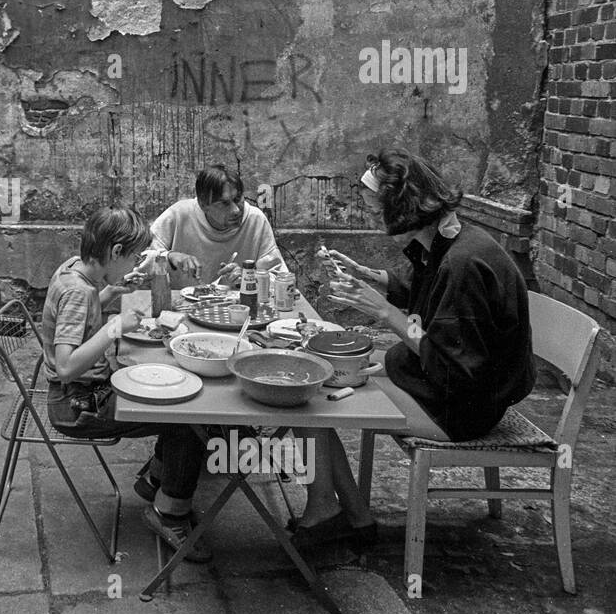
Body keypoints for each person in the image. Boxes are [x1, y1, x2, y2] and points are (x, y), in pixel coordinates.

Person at [292, 149, 536, 545]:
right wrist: (368, 276)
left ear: (401, 205)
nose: (370, 213)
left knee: (311, 404)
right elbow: (428, 296)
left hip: (461, 408)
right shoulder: (446, 240)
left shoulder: (464, 264)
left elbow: (453, 366)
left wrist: (385, 311)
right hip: (442, 385)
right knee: (319, 385)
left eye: (375, 207)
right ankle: (349, 517)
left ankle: (334, 513)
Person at [41, 205, 213, 561]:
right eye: (134, 257)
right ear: (115, 251)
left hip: (84, 393)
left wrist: (115, 291)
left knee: (176, 398)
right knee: (189, 416)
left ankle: (156, 481)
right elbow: (65, 366)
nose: (138, 263)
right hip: (78, 405)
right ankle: (169, 514)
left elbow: (87, 305)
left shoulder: (76, 270)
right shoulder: (77, 291)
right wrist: (113, 328)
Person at [143, 164, 287, 287]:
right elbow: (137, 261)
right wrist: (169, 256)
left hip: (235, 312)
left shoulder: (255, 220)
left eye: (238, 199)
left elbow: (282, 279)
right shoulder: (178, 215)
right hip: (180, 309)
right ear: (204, 205)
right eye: (225, 203)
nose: (236, 210)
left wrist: (249, 277)